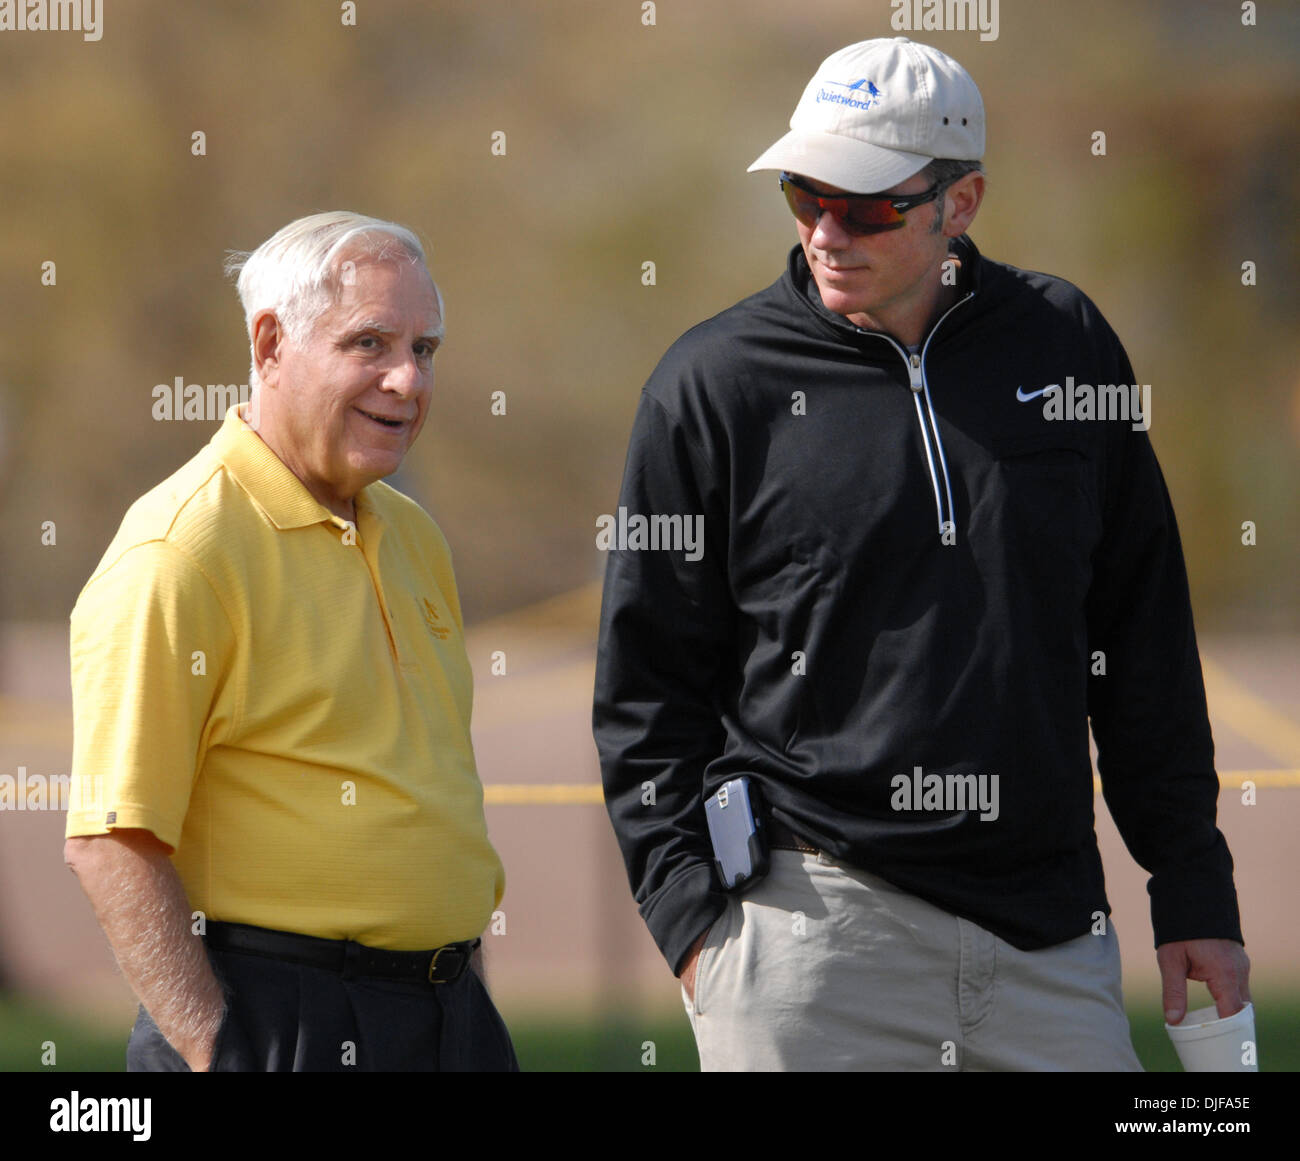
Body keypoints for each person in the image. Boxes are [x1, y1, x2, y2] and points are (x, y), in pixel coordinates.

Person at [592, 37, 1249, 1071]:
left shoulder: (1067, 344)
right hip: (806, 942)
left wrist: (1192, 889)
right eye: (803, 195)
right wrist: (698, 930)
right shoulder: (712, 385)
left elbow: (1142, 640)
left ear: (962, 201)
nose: (825, 230)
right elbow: (644, 690)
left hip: (1052, 942)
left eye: (865, 206)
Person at [64, 211, 516, 1072]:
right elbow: (112, 841)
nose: (406, 380)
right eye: (370, 343)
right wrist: (219, 1050)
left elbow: (431, 808)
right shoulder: (180, 549)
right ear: (270, 343)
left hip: (450, 1017)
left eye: (424, 350)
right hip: (282, 1022)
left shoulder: (415, 536)